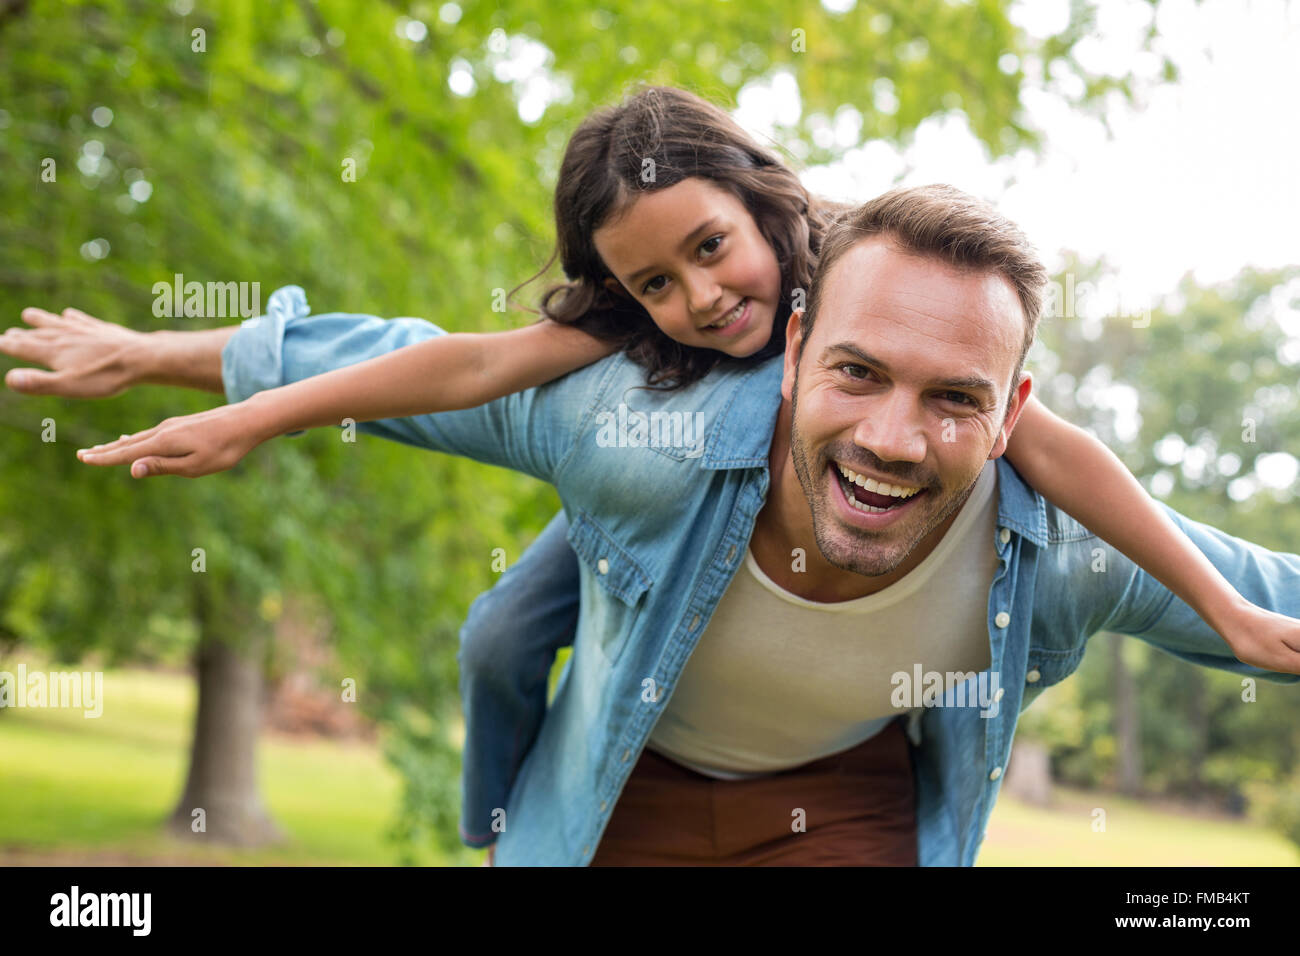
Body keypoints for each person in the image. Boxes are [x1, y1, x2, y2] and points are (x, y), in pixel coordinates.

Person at [7, 118, 1300, 866]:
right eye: (652, 284)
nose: (694, 300)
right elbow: (424, 357)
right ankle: (501, 819)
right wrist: (178, 371)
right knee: (506, 627)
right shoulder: (635, 388)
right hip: (629, 699)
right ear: (802, 351)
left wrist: (1232, 621)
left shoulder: (907, 310)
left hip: (841, 797)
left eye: (957, 399)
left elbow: (1124, 497)